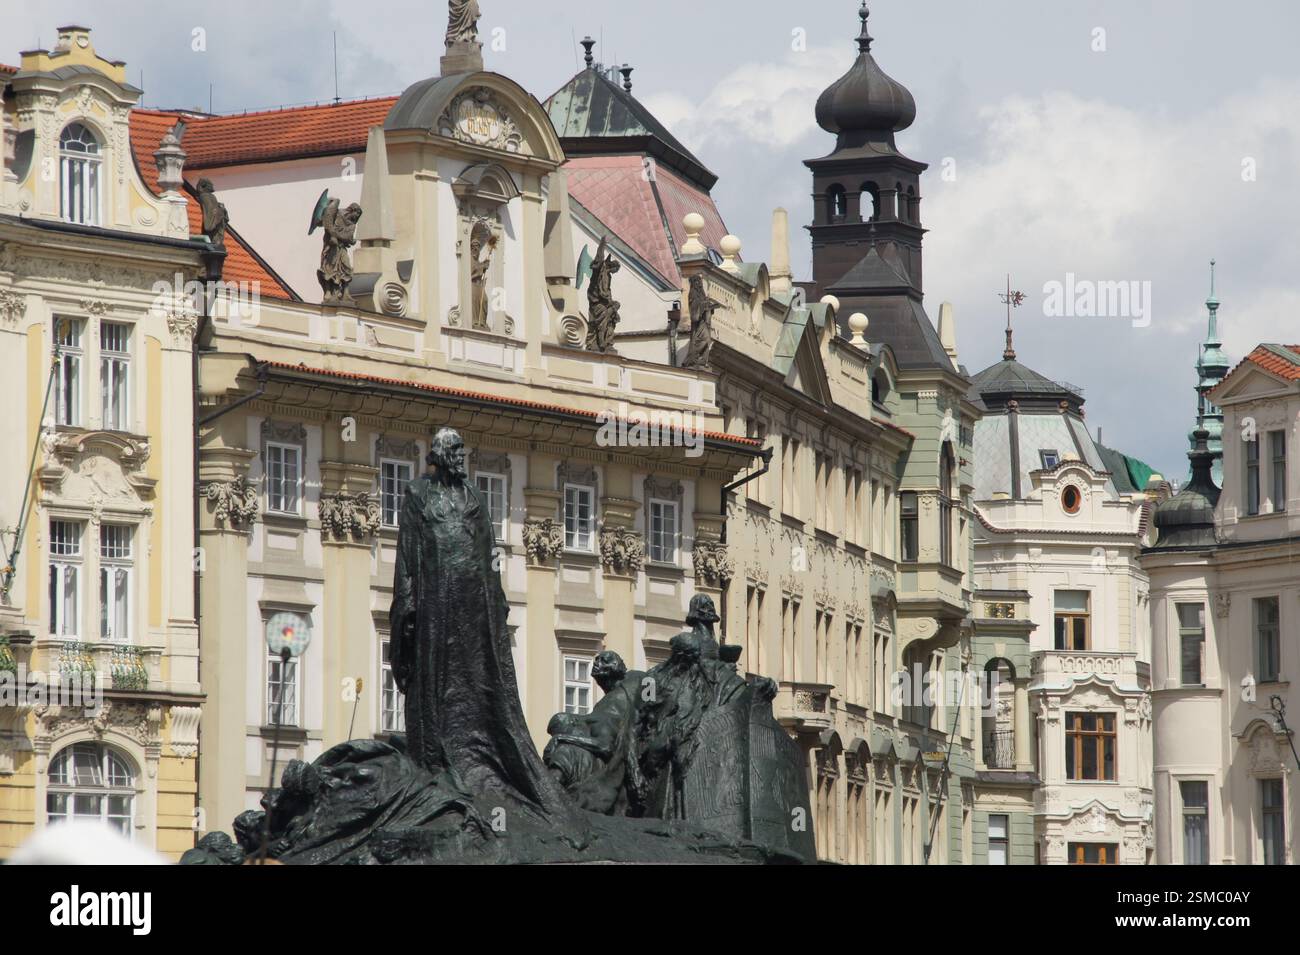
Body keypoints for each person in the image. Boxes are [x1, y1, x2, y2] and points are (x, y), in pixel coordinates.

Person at [389, 428, 579, 828]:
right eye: (455, 449)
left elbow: (489, 552)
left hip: (473, 604)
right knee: (435, 683)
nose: (462, 454)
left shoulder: (473, 496)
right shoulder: (417, 495)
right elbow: (406, 558)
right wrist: (406, 607)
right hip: (435, 601)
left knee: (479, 681)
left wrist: (496, 600)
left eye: (462, 448)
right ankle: (437, 761)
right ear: (440, 453)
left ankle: (483, 759)